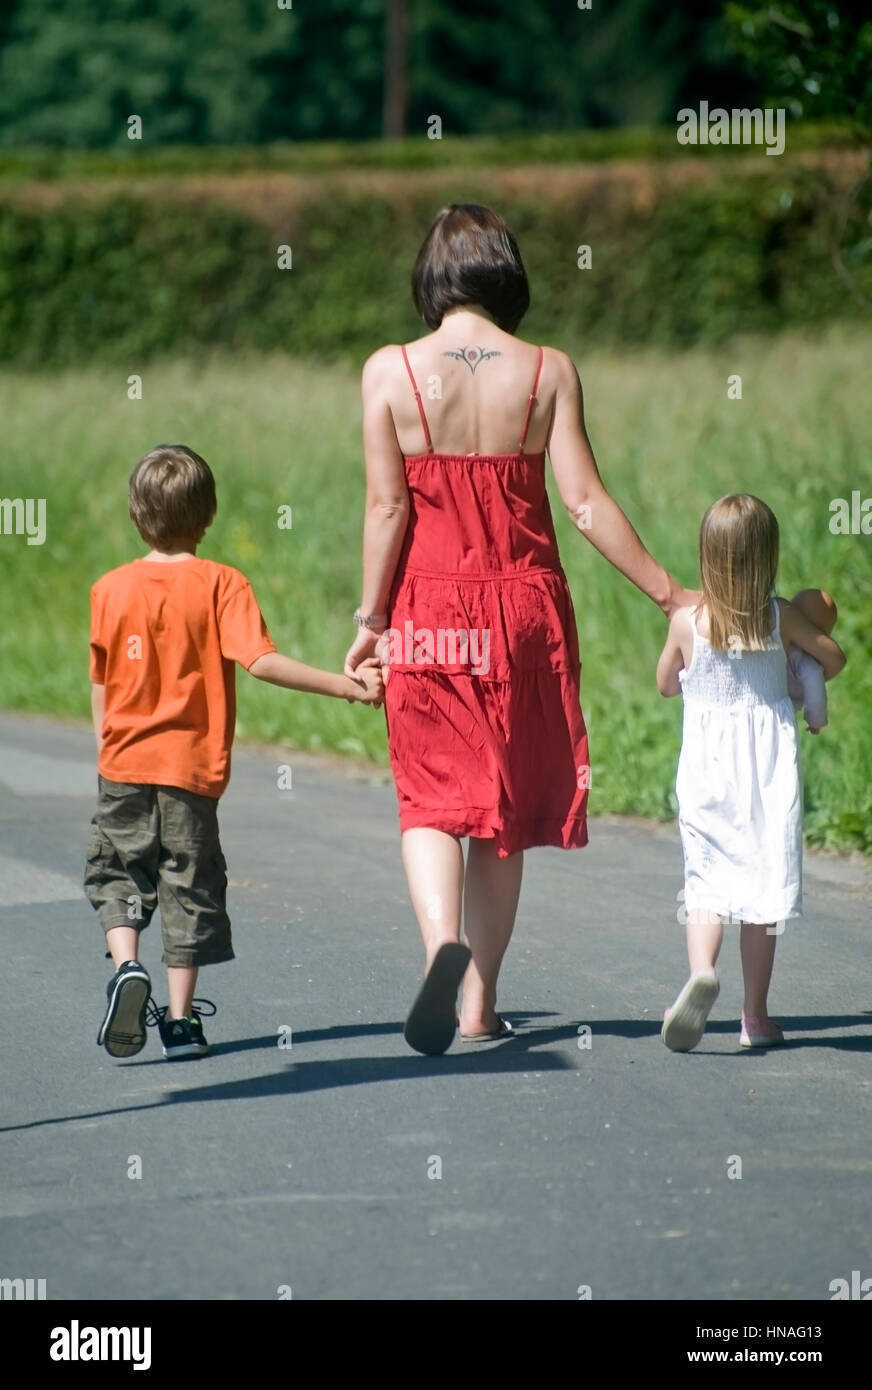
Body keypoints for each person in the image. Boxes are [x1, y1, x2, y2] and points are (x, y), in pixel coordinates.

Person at [344, 203, 695, 1056]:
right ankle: (478, 1001)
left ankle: (439, 950)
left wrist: (370, 619)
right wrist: (670, 594)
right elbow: (582, 503)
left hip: (430, 608)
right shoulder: (547, 371)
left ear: (430, 280)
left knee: (430, 797)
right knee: (500, 811)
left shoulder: (389, 371)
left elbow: (389, 506)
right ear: (508, 274)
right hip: (525, 614)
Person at [86, 444, 382, 1061]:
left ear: (136, 515)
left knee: (118, 871)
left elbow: (102, 680)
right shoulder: (222, 583)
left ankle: (125, 968)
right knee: (186, 885)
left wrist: (106, 751)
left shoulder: (109, 589)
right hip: (190, 771)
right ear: (210, 514)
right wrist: (344, 685)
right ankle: (180, 1021)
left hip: (122, 764)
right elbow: (262, 662)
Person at [656, 494, 846, 1053]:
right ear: (769, 557)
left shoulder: (687, 622)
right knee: (762, 892)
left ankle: (700, 972)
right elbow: (833, 659)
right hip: (766, 771)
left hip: (707, 771)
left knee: (707, 880)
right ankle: (755, 1017)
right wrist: (800, 669)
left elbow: (667, 683)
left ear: (706, 556)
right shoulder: (779, 616)